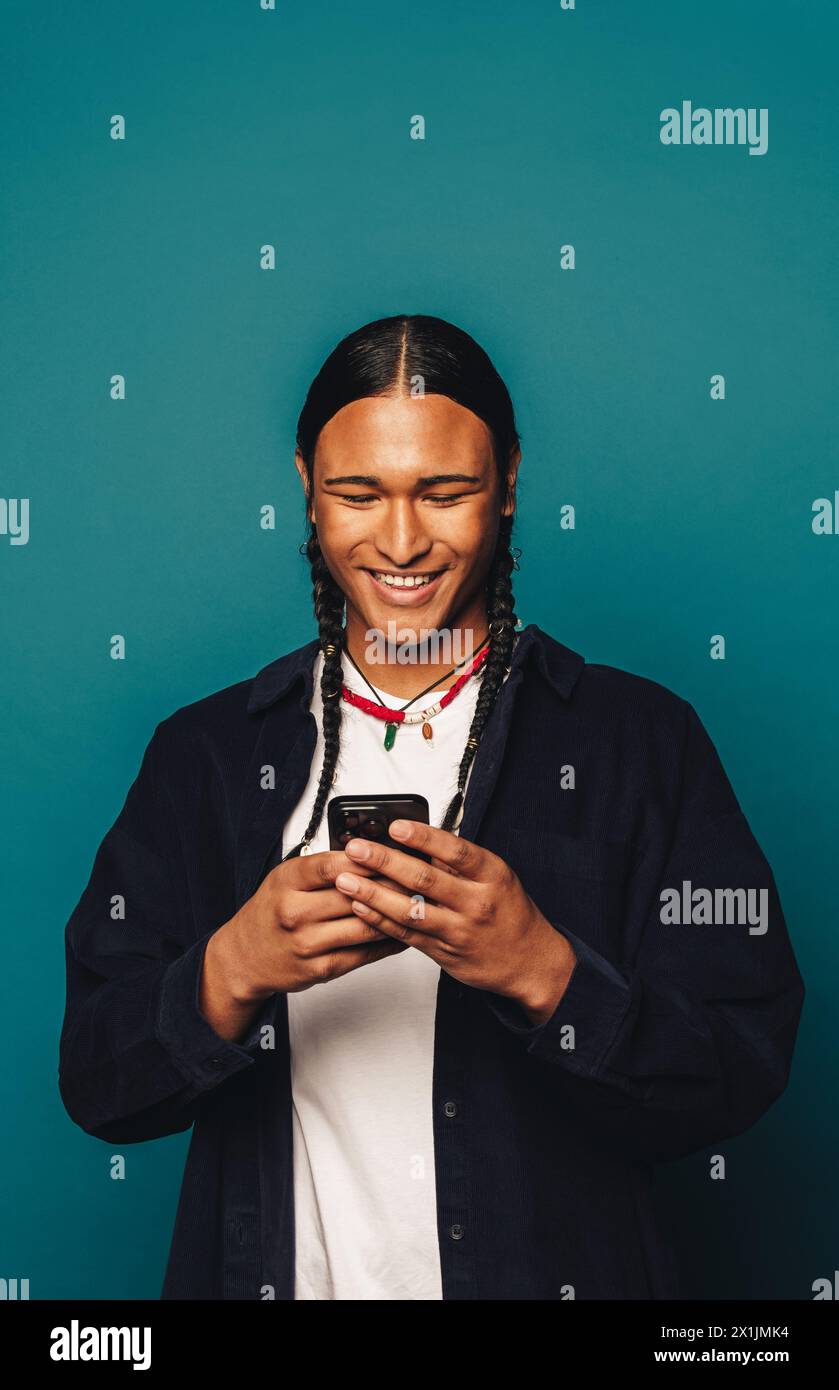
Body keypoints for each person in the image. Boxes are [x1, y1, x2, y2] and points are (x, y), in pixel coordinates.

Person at [58, 314, 805, 1301]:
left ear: (507, 483)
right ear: (303, 487)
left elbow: (737, 1068)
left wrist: (543, 970)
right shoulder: (205, 755)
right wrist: (233, 967)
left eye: (443, 491)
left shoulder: (636, 740)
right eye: (356, 493)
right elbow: (99, 1082)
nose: (401, 540)